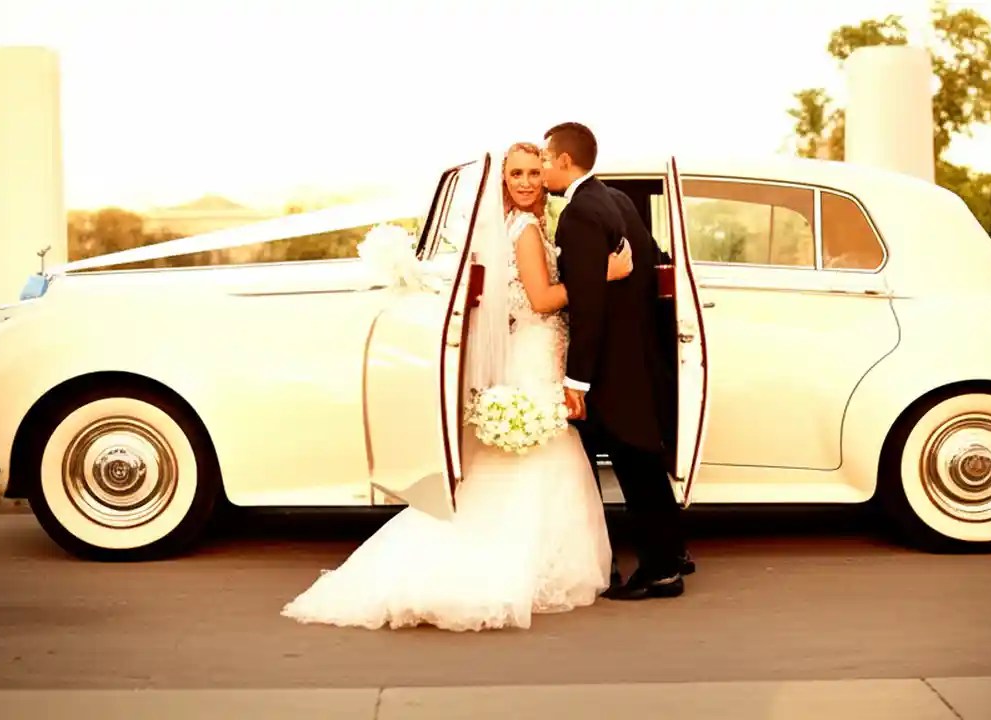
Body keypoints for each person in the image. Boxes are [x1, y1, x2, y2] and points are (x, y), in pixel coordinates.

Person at [279, 143, 632, 631]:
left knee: (524, 462)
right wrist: (603, 274)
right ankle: (521, 562)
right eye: (517, 174)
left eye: (534, 172)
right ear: (502, 181)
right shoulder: (527, 231)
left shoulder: (514, 227)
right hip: (535, 350)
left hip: (527, 348)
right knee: (544, 456)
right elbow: (544, 299)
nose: (527, 182)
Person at [542, 121, 691, 600]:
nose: (543, 169)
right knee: (645, 460)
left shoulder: (579, 214)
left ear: (565, 160)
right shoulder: (619, 201)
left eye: (545, 160)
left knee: (633, 465)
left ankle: (660, 570)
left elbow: (590, 306)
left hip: (611, 365)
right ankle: (674, 553)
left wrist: (577, 380)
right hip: (638, 355)